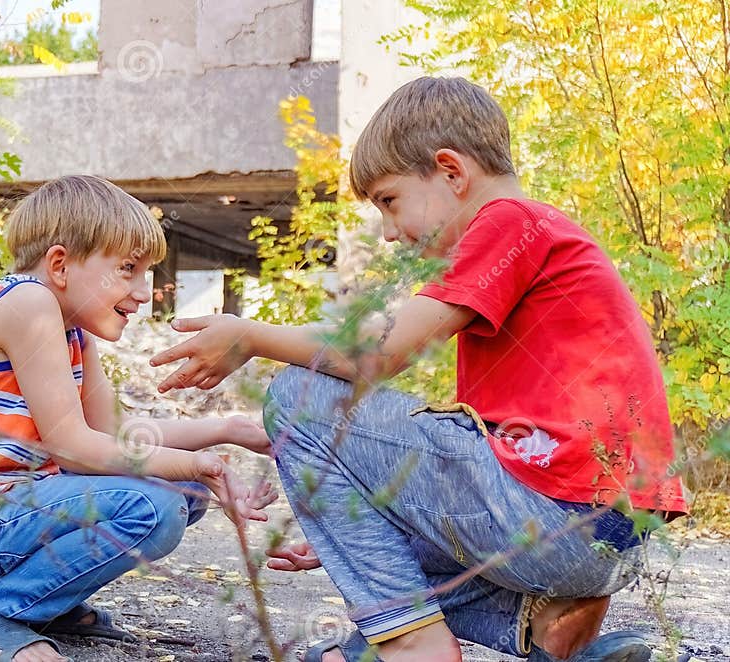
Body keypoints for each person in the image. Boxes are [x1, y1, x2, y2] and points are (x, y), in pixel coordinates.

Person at [149, 77, 688, 662]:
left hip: (558, 511)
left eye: (389, 200)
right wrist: (358, 534)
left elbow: (378, 356)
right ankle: (548, 631)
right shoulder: (540, 237)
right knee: (385, 569)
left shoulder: (509, 222)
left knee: (299, 398)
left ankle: (412, 646)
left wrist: (253, 336)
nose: (388, 231)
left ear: (451, 172)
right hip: (610, 536)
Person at [0, 175, 276, 662]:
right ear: (60, 264)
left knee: (183, 491)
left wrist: (226, 432)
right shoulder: (27, 304)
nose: (143, 292)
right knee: (155, 504)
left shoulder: (72, 331)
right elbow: (73, 448)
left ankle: (42, 606)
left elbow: (112, 437)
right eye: (128, 270)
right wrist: (197, 466)